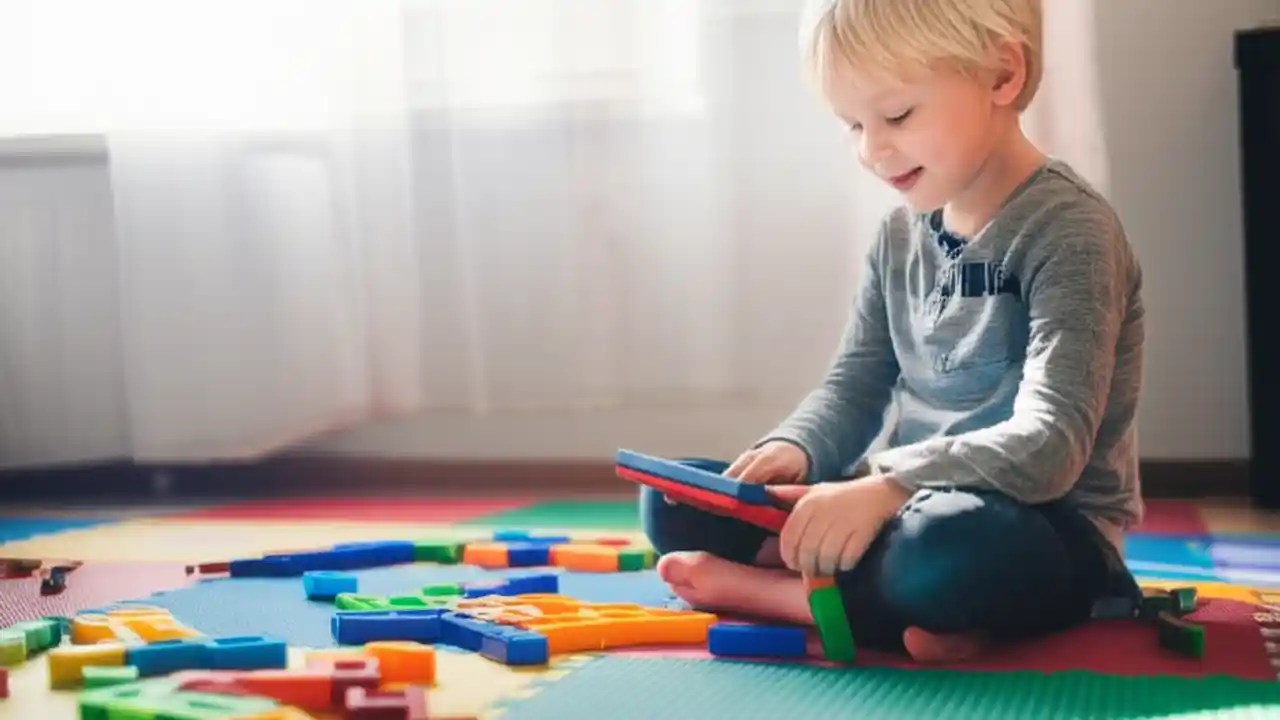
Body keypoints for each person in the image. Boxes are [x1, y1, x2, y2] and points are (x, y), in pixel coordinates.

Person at [641, 0, 1146, 663]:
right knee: (676, 500)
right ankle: (872, 591)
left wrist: (890, 487)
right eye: (853, 124)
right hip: (898, 505)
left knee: (944, 553)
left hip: (1042, 527)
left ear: (1002, 74)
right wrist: (796, 448)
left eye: (898, 116)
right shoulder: (900, 235)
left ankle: (792, 592)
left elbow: (1052, 445)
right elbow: (855, 384)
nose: (872, 151)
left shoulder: (1071, 232)